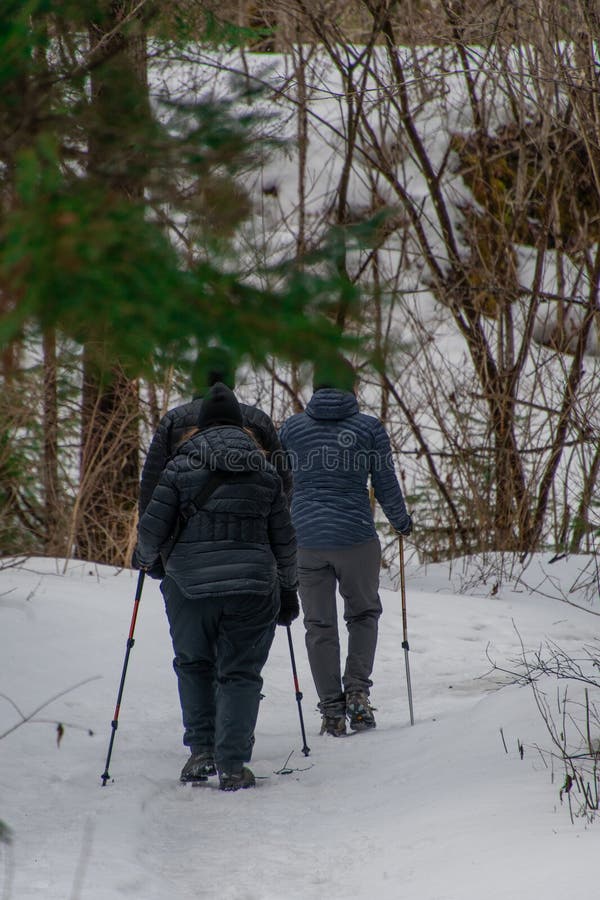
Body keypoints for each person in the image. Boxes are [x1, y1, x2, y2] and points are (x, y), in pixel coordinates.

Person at [135, 382, 299, 791]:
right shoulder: (264, 474)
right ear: (242, 427)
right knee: (241, 673)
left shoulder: (177, 468)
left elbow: (151, 532)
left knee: (194, 664)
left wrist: (145, 561)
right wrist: (289, 589)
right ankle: (231, 763)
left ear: (201, 425)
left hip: (188, 587)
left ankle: (201, 752)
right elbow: (285, 541)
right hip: (253, 588)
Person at [279, 357, 412, 737]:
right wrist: (401, 522)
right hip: (356, 537)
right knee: (363, 614)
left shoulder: (291, 428)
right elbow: (385, 484)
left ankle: (331, 711)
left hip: (306, 540)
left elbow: (280, 484)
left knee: (319, 625)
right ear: (353, 386)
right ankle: (357, 692)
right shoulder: (369, 428)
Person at [139, 347, 292, 522]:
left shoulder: (173, 421)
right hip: (249, 536)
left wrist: (149, 542)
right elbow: (282, 484)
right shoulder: (258, 422)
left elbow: (151, 486)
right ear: (231, 379)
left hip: (184, 540)